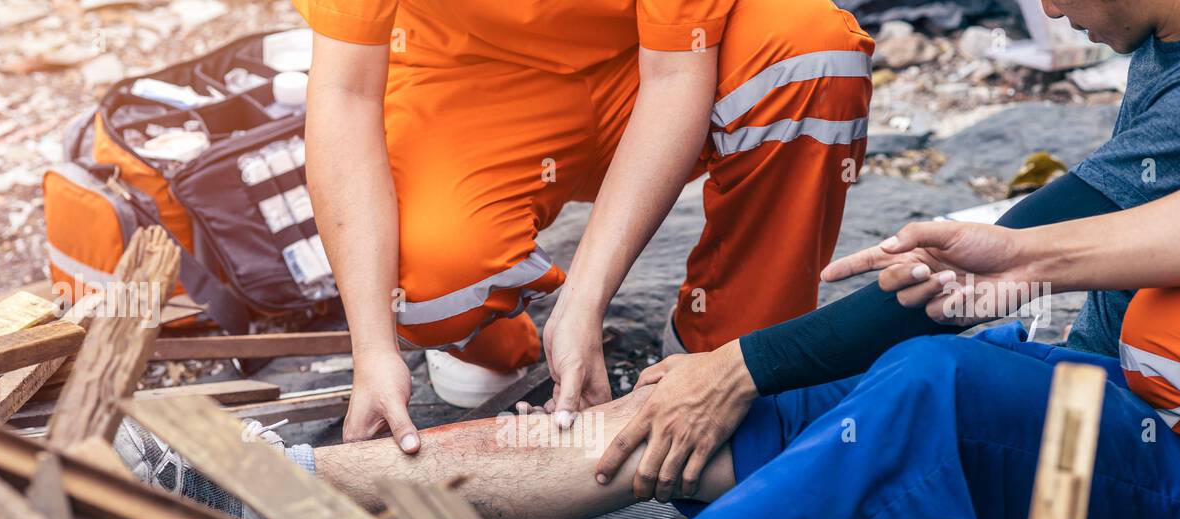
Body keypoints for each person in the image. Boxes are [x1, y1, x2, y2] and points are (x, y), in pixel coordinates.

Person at [117, 178, 1180, 519]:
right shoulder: (1164, 67)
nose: (1043, 11)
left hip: (1175, 469)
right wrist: (736, 376)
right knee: (830, 398)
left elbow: (1045, 238)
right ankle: (274, 494)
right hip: (1115, 393)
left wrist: (742, 357)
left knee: (935, 385)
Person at [596, 0, 1180, 503]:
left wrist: (739, 368)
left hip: (1133, 427)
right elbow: (1015, 258)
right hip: (1083, 377)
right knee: (748, 420)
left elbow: (1013, 254)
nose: (1046, 9)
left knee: (900, 391)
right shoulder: (1165, 36)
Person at [298, 0, 873, 450]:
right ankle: (494, 339)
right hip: (467, 78)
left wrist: (584, 305)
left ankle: (722, 342)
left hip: (653, 62)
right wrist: (372, 352)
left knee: (813, 54)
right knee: (420, 284)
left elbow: (676, 75)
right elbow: (344, 94)